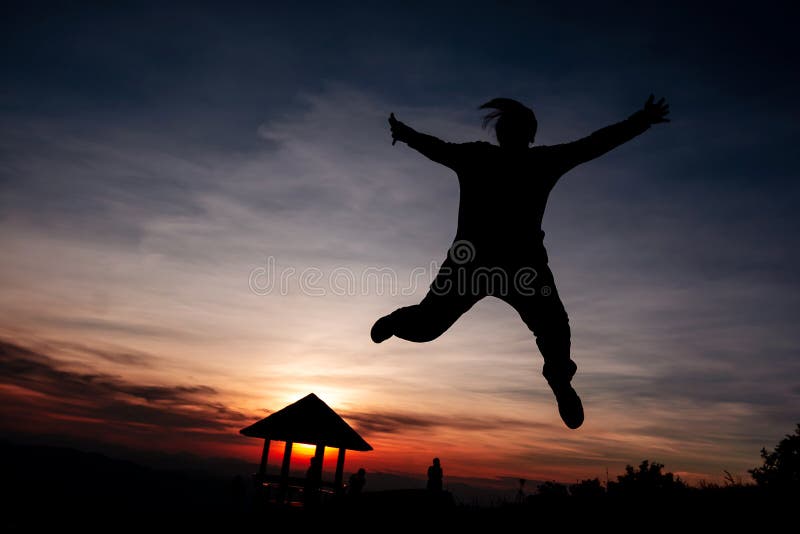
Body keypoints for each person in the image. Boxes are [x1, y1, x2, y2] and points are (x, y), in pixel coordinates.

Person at [371, 95, 670, 429]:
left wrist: (639, 122)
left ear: (528, 135)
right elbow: (437, 147)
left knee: (554, 327)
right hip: (478, 266)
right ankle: (398, 321)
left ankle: (560, 380)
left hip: (514, 269)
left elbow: (593, 144)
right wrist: (407, 134)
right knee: (429, 326)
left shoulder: (533, 161)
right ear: (512, 134)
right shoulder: (482, 157)